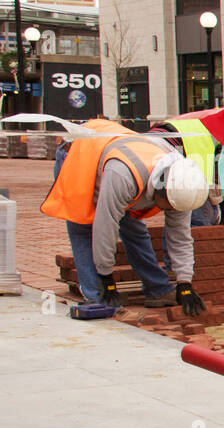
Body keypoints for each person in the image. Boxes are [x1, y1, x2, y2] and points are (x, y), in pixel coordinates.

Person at [42, 132, 211, 315]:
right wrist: (106, 278)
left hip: (117, 158)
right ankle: (97, 298)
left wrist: (184, 284)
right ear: (159, 192)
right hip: (78, 153)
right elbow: (105, 227)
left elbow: (180, 237)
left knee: (135, 229)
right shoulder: (122, 178)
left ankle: (158, 290)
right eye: (169, 206)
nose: (171, 211)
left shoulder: (181, 179)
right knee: (84, 226)